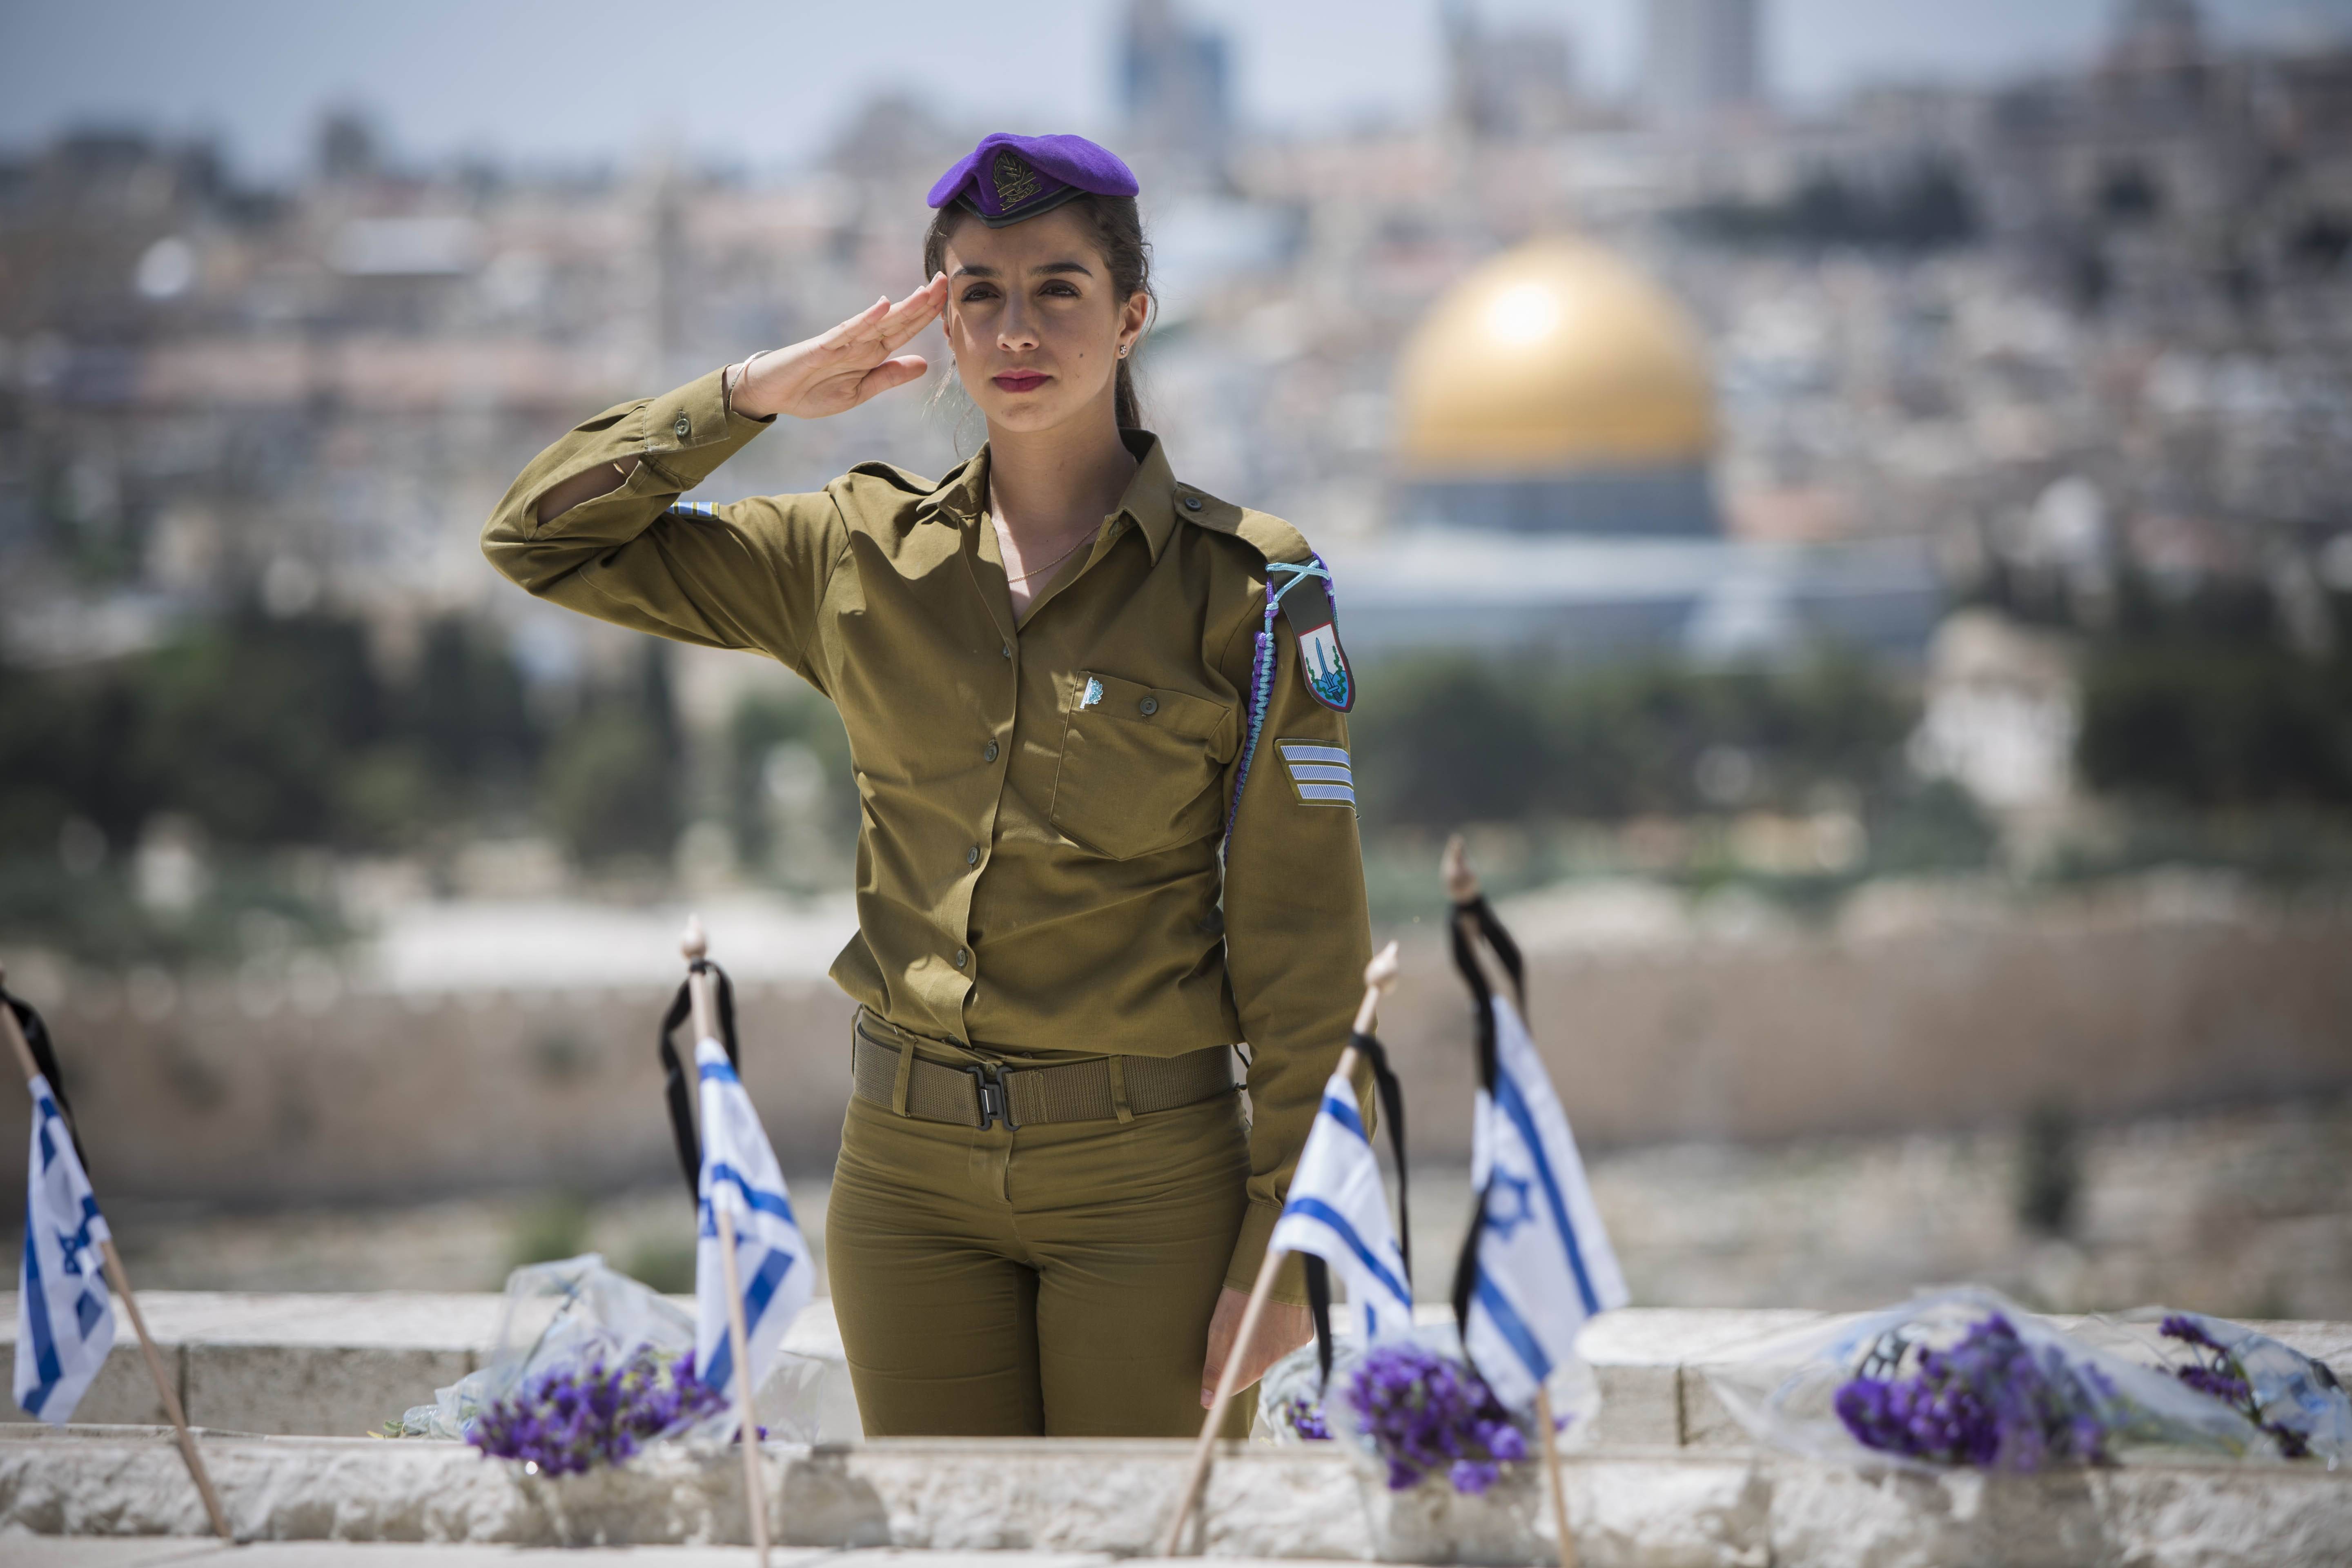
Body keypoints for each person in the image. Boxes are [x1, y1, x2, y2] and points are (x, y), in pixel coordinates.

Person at [482, 132, 1372, 1438]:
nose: (1019, 328)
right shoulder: (854, 552)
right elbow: (537, 541)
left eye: (1060, 289)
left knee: (1125, 1548)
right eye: (978, 293)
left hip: (1147, 1180)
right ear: (937, 322)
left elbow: (1308, 942)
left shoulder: (1248, 586)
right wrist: (752, 393)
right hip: (907, 1180)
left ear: (1133, 317)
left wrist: (1287, 1252)